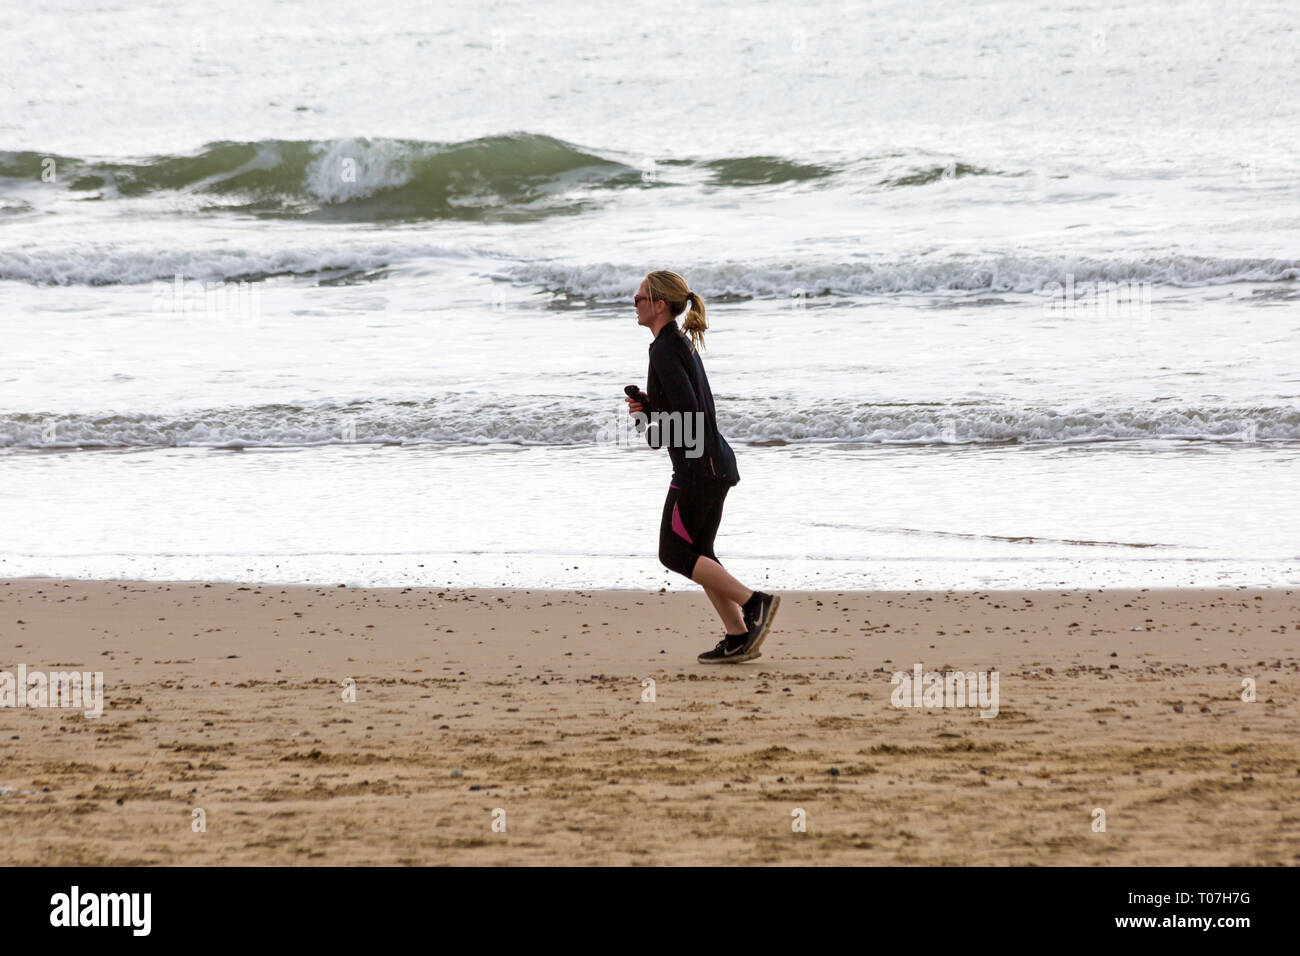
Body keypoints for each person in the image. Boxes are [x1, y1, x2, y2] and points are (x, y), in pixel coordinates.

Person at [625, 269, 779, 663]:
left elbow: (687, 416)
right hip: (713, 464)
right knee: (700, 552)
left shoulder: (663, 349)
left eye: (641, 298)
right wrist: (649, 410)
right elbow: (673, 422)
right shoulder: (676, 344)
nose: (634, 302)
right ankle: (738, 636)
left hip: (698, 470)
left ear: (660, 305)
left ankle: (754, 602)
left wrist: (653, 415)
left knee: (674, 553)